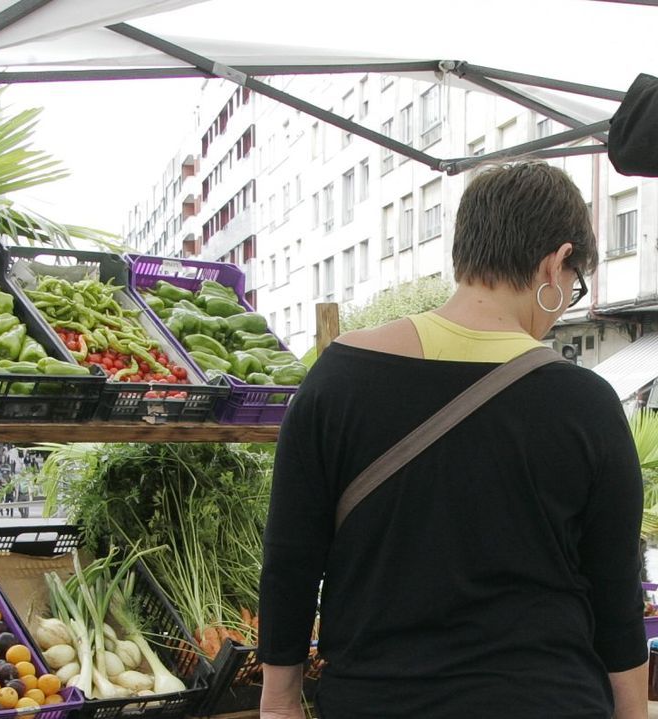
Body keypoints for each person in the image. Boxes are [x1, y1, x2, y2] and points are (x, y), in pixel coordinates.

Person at [257, 161, 646, 719]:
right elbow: (615, 597)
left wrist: (278, 703)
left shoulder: (338, 378)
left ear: (464, 252)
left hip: (376, 700)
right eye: (573, 282)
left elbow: (291, 559)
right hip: (544, 700)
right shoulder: (587, 404)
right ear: (555, 263)